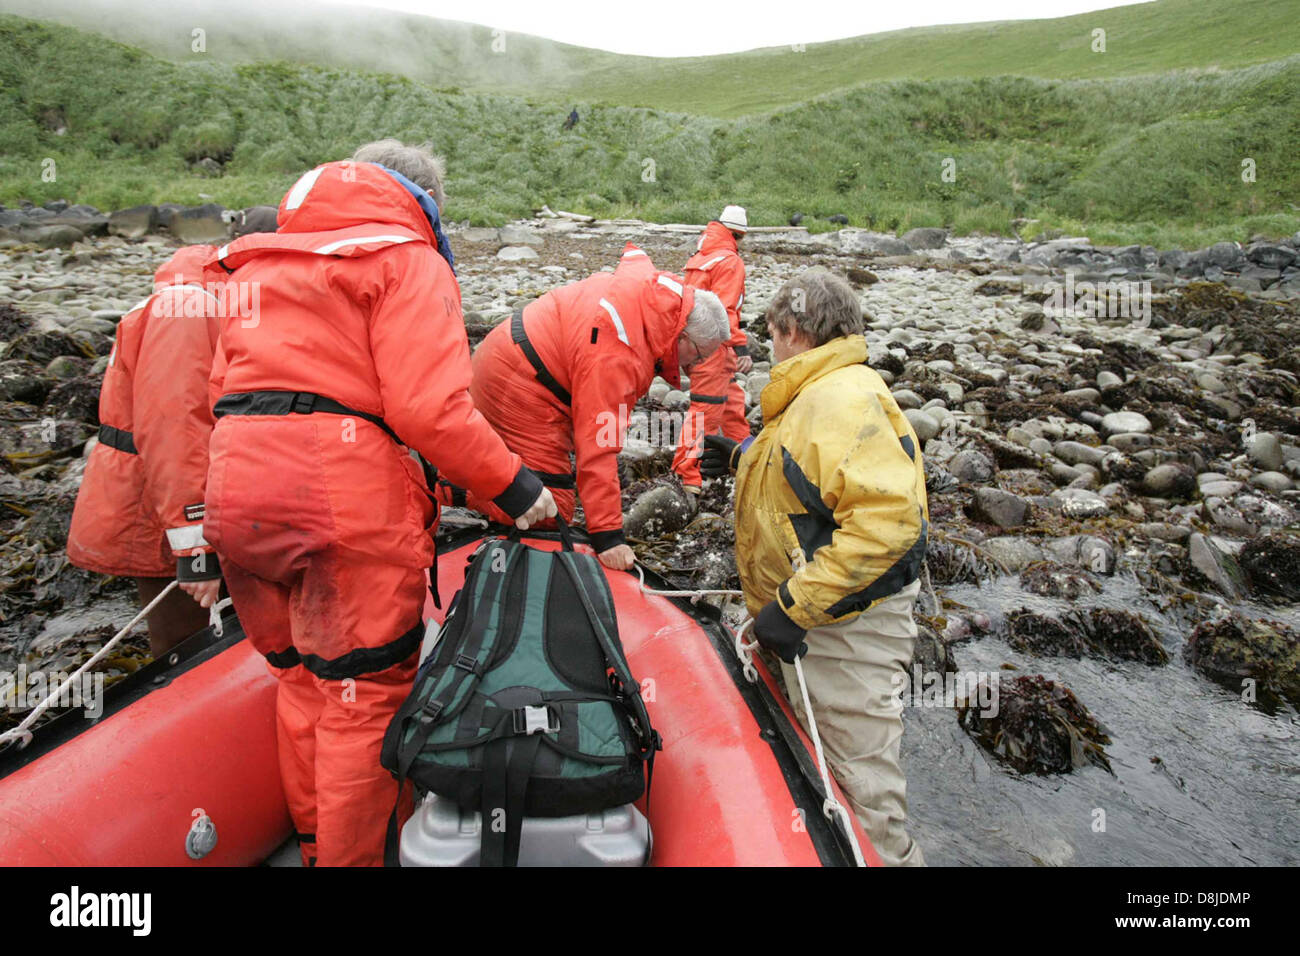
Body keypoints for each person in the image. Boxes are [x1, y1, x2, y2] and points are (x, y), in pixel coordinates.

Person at [201, 143, 555, 867]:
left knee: (301, 685)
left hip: (236, 489)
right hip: (338, 500)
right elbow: (432, 411)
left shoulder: (261, 262)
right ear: (426, 201)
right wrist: (519, 489)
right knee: (360, 703)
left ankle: (312, 846)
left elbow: (217, 396)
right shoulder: (407, 259)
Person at [701, 268, 929, 866]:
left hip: (846, 629)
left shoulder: (844, 398)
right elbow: (807, 479)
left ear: (796, 332)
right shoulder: (816, 392)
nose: (769, 347)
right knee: (814, 758)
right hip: (809, 619)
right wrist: (742, 456)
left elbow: (889, 524)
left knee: (862, 783)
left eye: (774, 334)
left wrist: (794, 607)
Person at [443, 257, 729, 570]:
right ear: (683, 337)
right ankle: (448, 485)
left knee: (541, 491)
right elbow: (599, 444)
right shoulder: (623, 350)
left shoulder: (657, 304)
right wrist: (608, 537)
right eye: (698, 357)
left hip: (523, 366)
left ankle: (466, 473)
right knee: (551, 512)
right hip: (518, 384)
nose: (693, 367)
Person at [67, 245, 223, 657]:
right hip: (159, 513)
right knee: (186, 650)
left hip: (163, 504)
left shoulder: (189, 301)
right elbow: (177, 430)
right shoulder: (188, 308)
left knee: (190, 643)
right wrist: (196, 550)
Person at [671, 205, 752, 506]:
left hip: (690, 341)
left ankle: (745, 456)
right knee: (705, 410)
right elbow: (725, 308)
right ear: (739, 235)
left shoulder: (699, 257)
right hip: (713, 345)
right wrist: (739, 344)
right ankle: (687, 477)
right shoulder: (730, 261)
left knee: (731, 402)